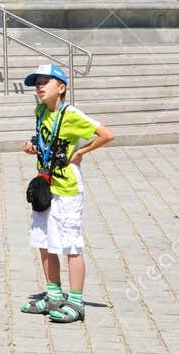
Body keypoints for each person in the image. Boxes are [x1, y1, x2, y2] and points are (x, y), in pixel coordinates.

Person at [20, 62, 113, 324]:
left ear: (61, 87)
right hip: (45, 186)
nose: (39, 87)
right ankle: (53, 295)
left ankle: (75, 301)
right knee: (44, 241)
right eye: (36, 83)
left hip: (68, 189)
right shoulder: (40, 111)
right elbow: (44, 142)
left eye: (44, 82)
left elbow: (106, 134)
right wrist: (32, 147)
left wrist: (80, 153)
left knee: (71, 245)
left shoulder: (71, 114)